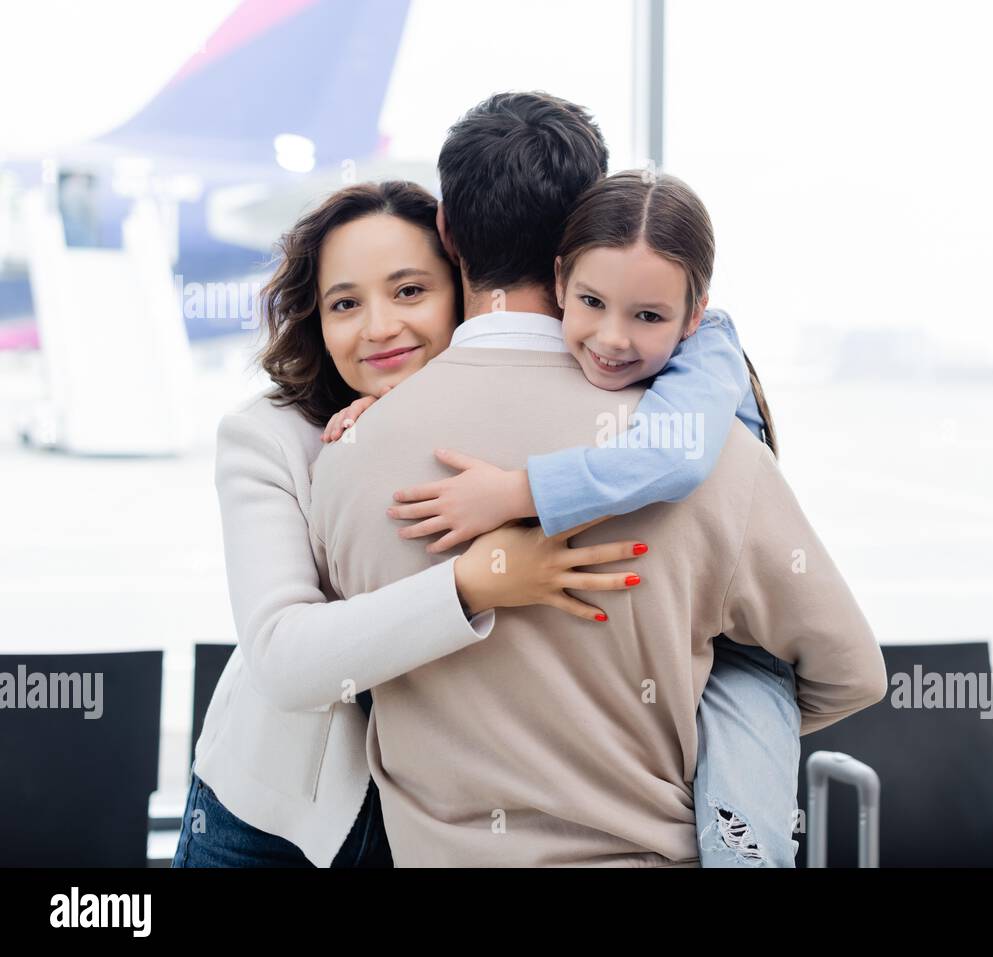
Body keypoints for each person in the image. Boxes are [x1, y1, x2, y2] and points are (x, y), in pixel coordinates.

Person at [309, 92, 888, 866]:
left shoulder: (348, 456)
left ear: (447, 231)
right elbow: (849, 671)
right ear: (583, 222)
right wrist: (705, 734)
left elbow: (332, 679)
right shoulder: (703, 444)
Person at [174, 180, 647, 868]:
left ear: (464, 290)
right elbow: (282, 657)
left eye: (408, 291)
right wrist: (473, 583)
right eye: (345, 303)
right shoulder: (270, 437)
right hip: (274, 828)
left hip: (443, 823)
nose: (378, 328)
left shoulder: (516, 408)